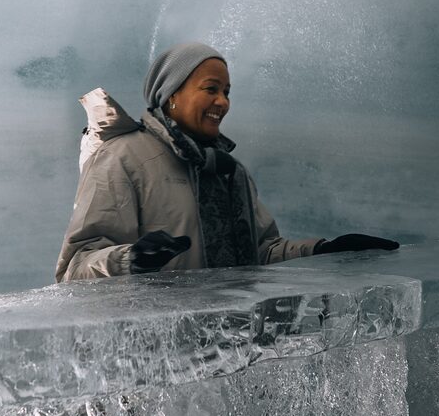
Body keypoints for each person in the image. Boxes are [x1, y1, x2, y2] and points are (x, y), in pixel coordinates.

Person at [56, 41, 398, 281]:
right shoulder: (122, 158)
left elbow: (261, 254)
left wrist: (326, 251)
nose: (223, 102)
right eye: (211, 89)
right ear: (171, 94)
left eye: (227, 92)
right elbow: (75, 270)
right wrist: (131, 259)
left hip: (231, 351)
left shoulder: (228, 171)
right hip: (156, 365)